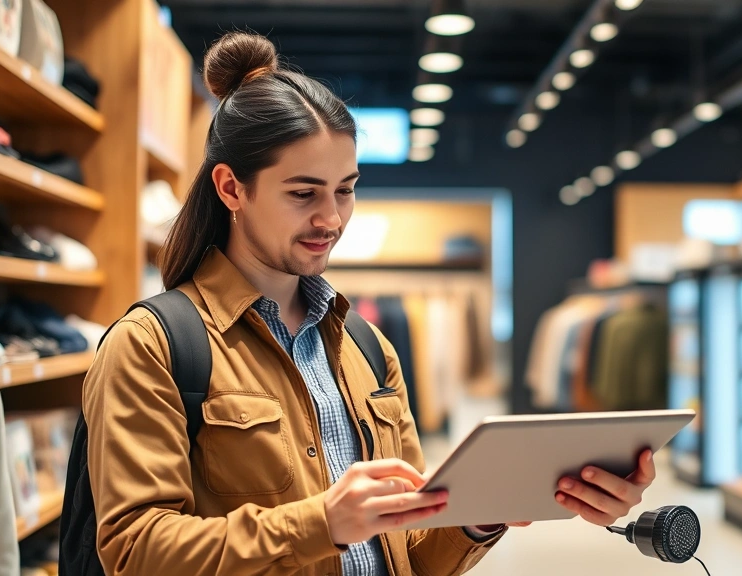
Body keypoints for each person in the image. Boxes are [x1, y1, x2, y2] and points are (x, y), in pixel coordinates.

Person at [83, 31, 657, 576]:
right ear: (232, 188)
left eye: (346, 189)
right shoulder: (151, 345)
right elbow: (134, 551)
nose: (331, 220)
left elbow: (411, 552)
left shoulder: (365, 346)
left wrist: (483, 512)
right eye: (303, 193)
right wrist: (323, 522)